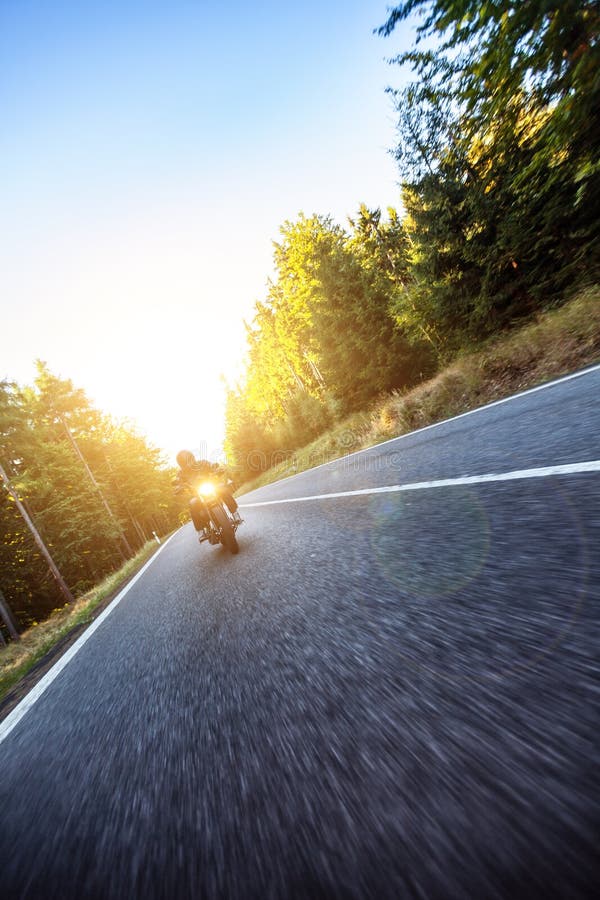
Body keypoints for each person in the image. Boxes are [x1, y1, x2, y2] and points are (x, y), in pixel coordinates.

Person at [175, 449, 241, 541]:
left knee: (222, 488)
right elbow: (178, 482)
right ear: (181, 464)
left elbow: (212, 466)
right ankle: (201, 530)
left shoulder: (202, 463)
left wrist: (217, 469)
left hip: (211, 488)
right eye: (184, 462)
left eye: (189, 459)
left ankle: (235, 513)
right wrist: (179, 487)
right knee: (192, 503)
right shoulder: (181, 474)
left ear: (192, 458)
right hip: (197, 495)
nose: (188, 463)